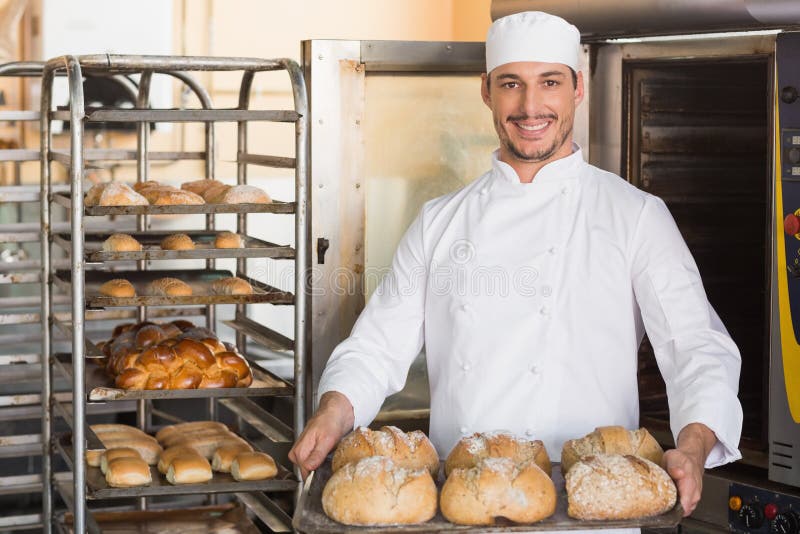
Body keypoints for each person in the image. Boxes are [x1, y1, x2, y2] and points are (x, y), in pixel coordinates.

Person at [289, 10, 742, 519]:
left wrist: (696, 444)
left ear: (577, 89)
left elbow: (694, 346)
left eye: (549, 82)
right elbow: (377, 345)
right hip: (463, 508)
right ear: (486, 90)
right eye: (512, 84)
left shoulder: (635, 216)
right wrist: (332, 413)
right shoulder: (440, 221)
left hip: (593, 509)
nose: (531, 107)